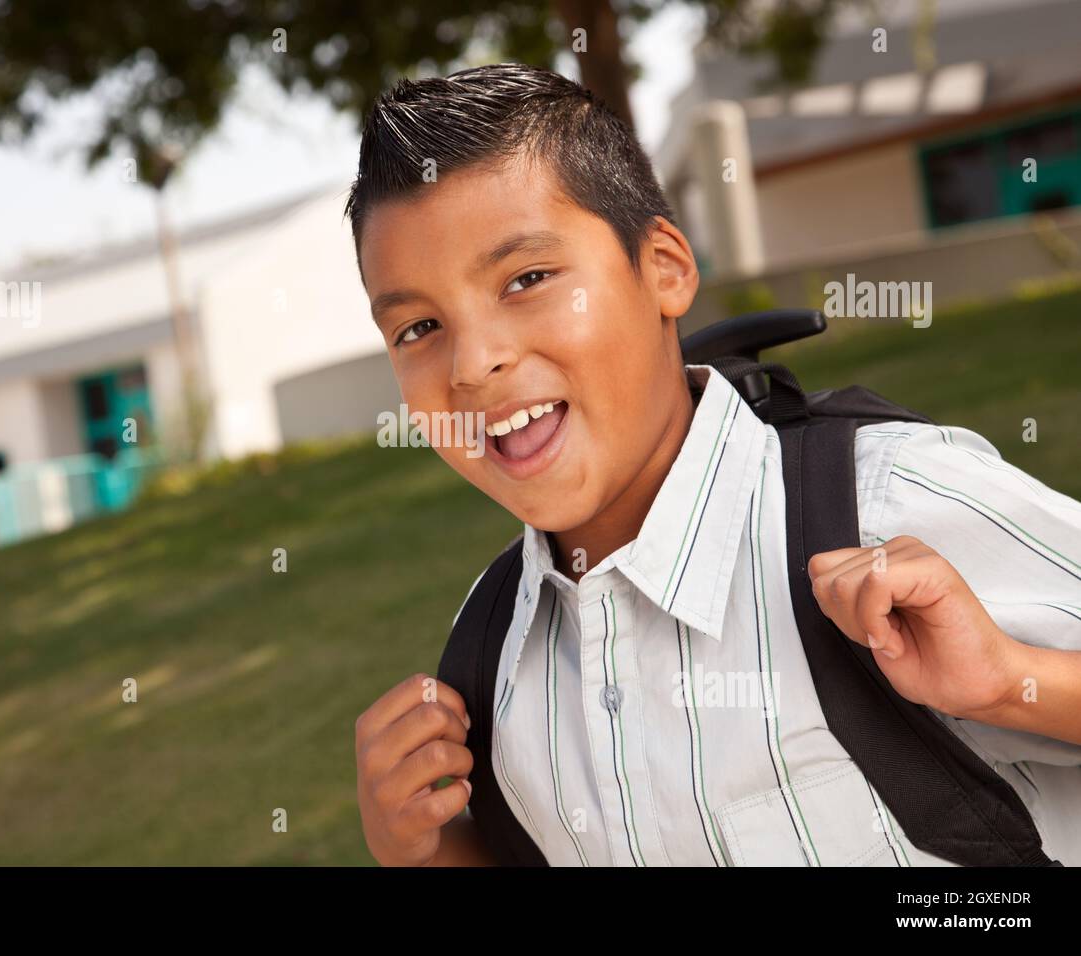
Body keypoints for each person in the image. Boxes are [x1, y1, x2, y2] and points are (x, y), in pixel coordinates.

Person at [348, 63, 1081, 866]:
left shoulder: (883, 507)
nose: (473, 363)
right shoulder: (491, 654)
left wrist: (1009, 680)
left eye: (527, 279)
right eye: (418, 328)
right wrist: (429, 852)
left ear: (663, 267)